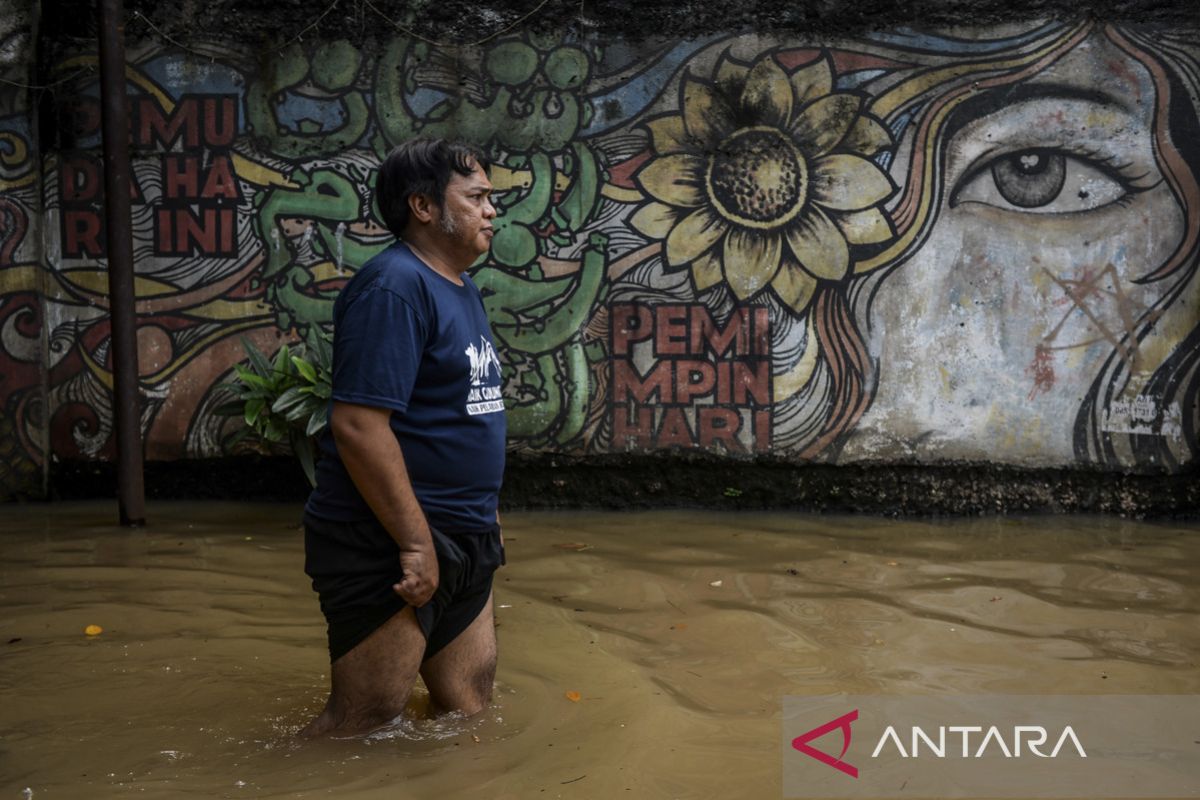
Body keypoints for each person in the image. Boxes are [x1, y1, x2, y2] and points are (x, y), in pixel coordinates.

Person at [299, 138, 506, 737]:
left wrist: (484, 513)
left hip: (464, 537)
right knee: (362, 725)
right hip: (387, 542)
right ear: (422, 206)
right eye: (476, 198)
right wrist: (416, 544)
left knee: (466, 710)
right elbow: (359, 425)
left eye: (490, 198)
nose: (491, 211)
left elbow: (463, 411)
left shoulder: (459, 288)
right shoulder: (394, 287)